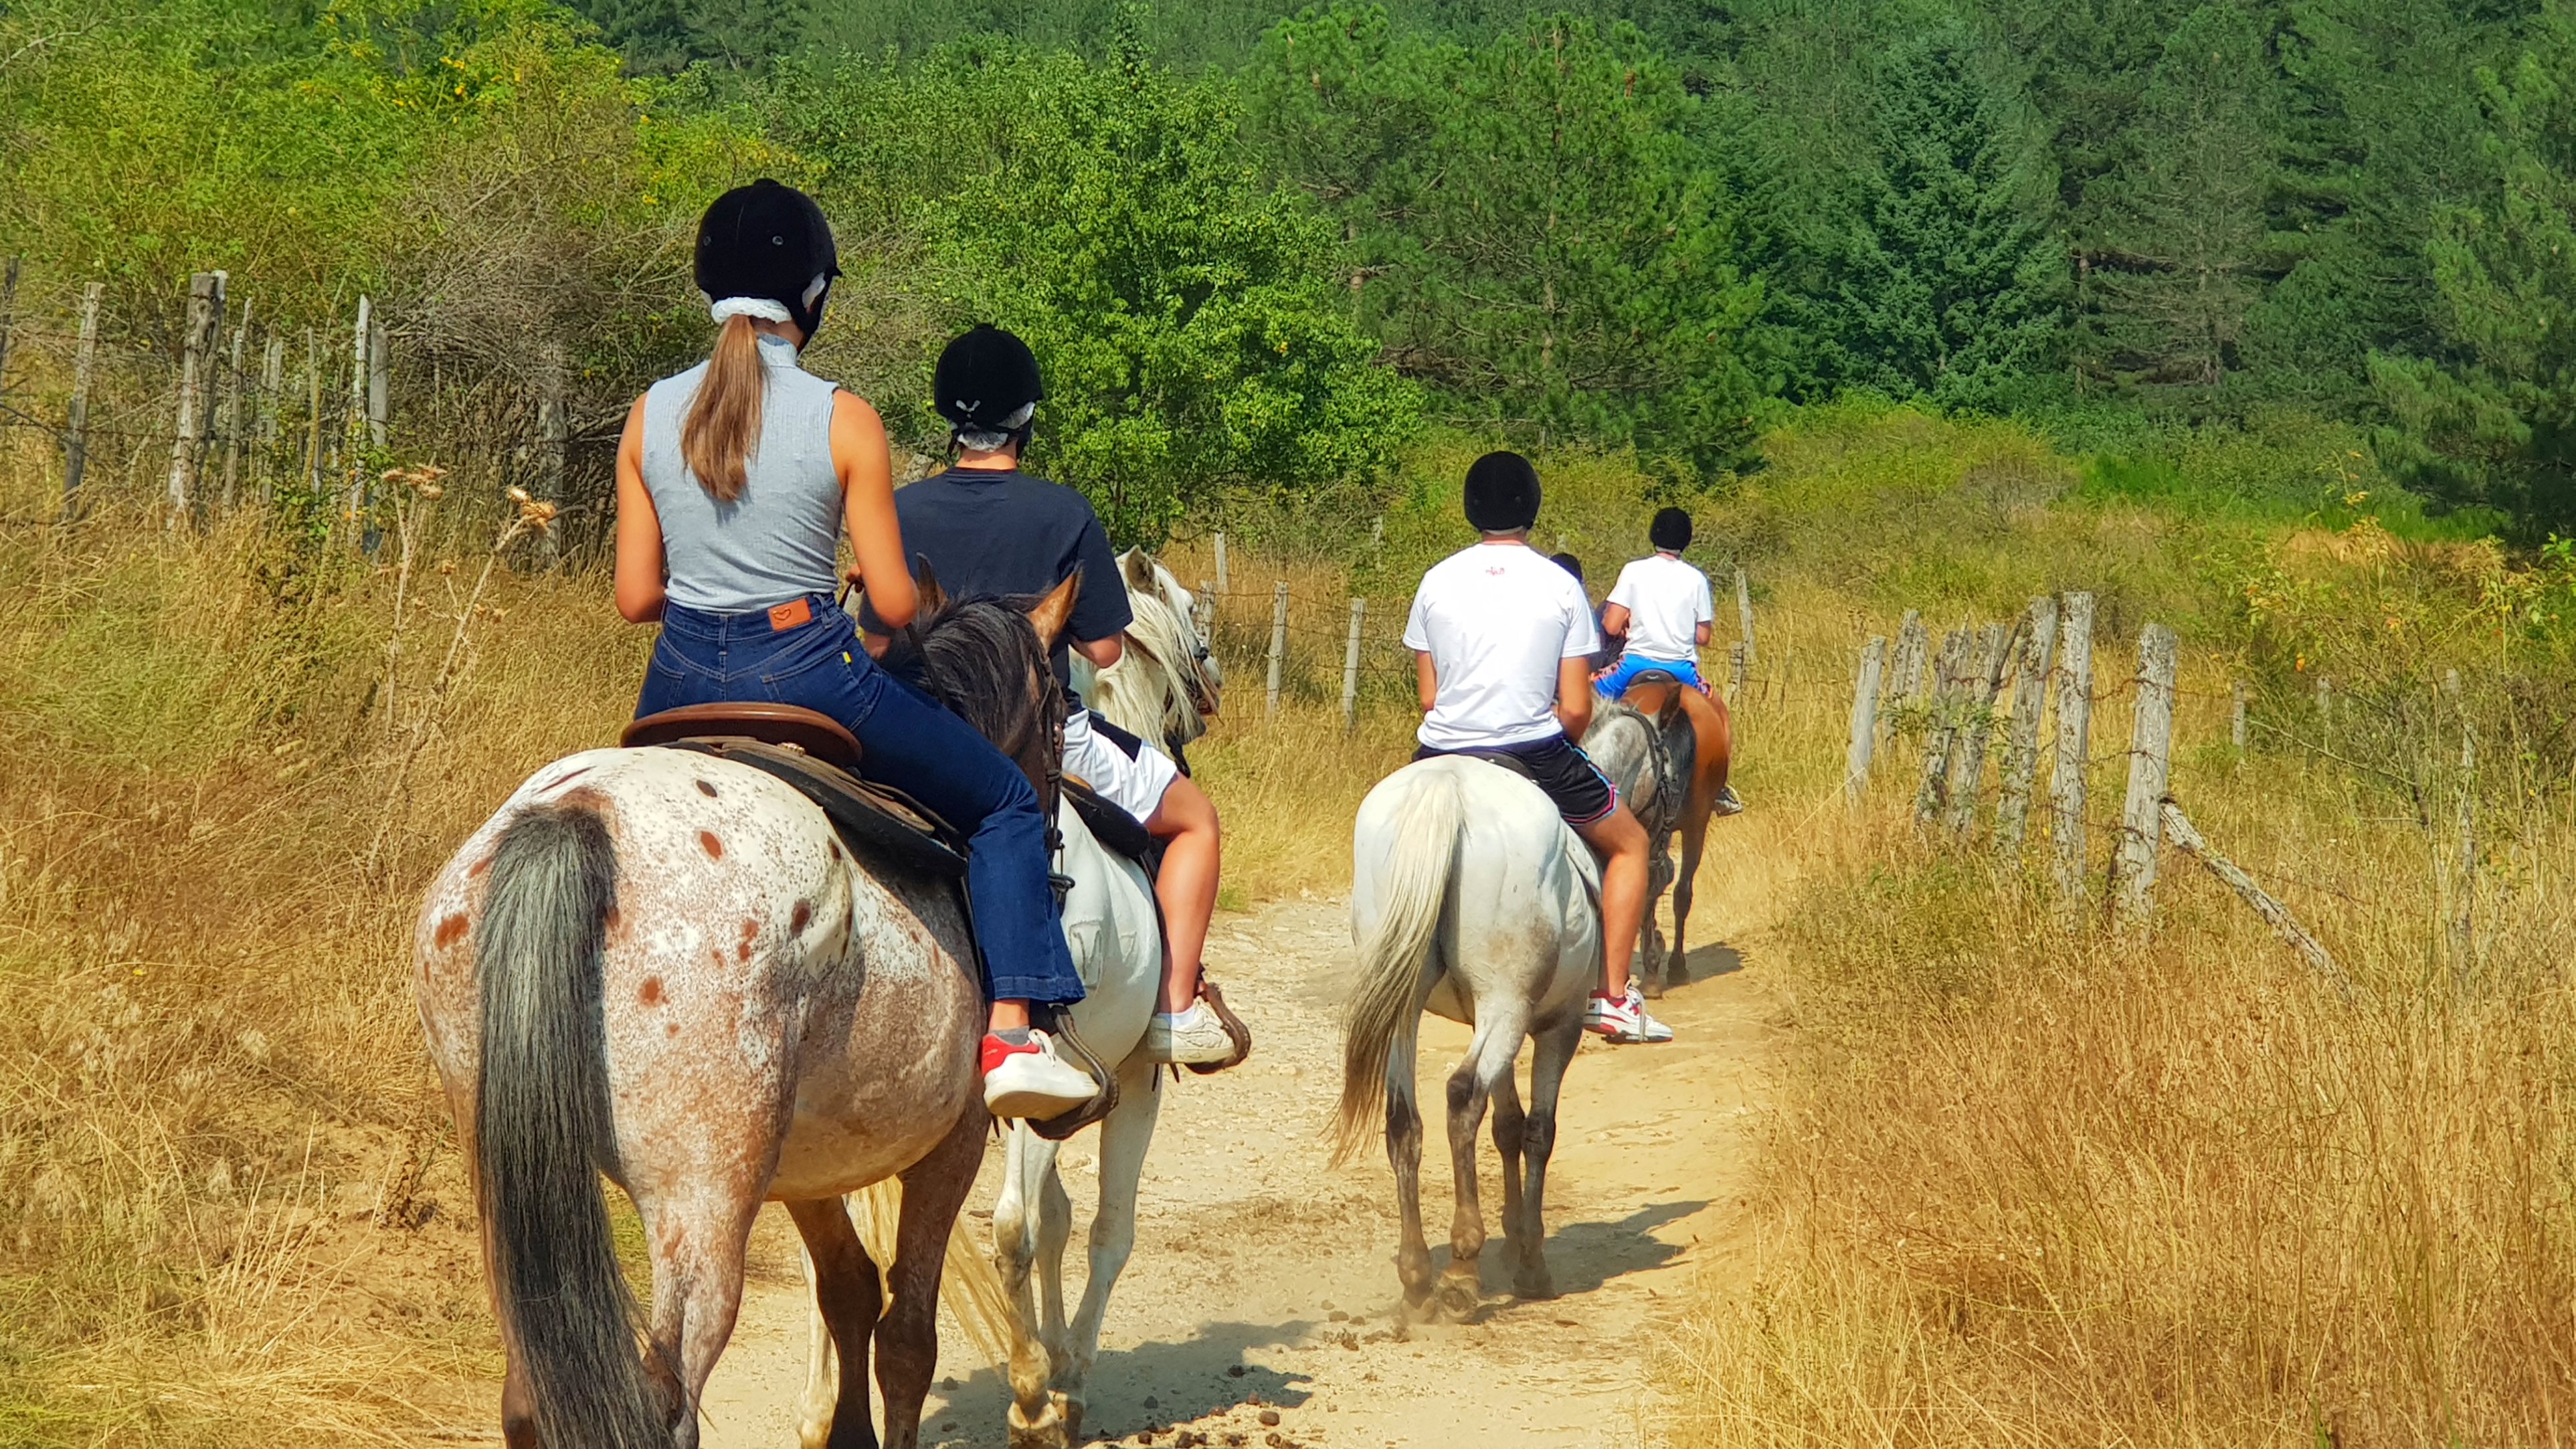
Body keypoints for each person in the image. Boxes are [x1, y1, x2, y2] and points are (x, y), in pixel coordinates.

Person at [612, 181, 1099, 1122]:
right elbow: (893, 600)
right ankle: (1010, 1031)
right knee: (1001, 799)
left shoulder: (647, 414)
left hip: (673, 677)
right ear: (813, 298)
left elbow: (636, 597)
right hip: (808, 672)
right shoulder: (844, 416)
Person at [858, 324, 1237, 1068]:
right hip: (1041, 732)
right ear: (1027, 418)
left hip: (915, 730)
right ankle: (1174, 1007)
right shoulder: (1063, 512)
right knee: (1196, 822)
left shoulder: (899, 508)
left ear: (949, 421)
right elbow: (1102, 651)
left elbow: (877, 643)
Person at [1404, 452, 1671, 1044]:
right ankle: (1612, 996)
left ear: (1471, 508)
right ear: (1532, 509)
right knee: (1631, 844)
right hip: (1532, 752)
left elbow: (1429, 698)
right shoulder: (1561, 586)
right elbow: (1576, 709)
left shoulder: (1436, 579)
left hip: (1439, 753)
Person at [1595, 509, 1745, 816]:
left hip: (1634, 666)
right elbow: (1704, 636)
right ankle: (1720, 790)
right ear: (1686, 541)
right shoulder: (1697, 579)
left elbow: (1610, 626)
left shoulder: (1633, 571)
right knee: (1719, 714)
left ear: (1654, 535)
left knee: (1588, 696)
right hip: (1681, 671)